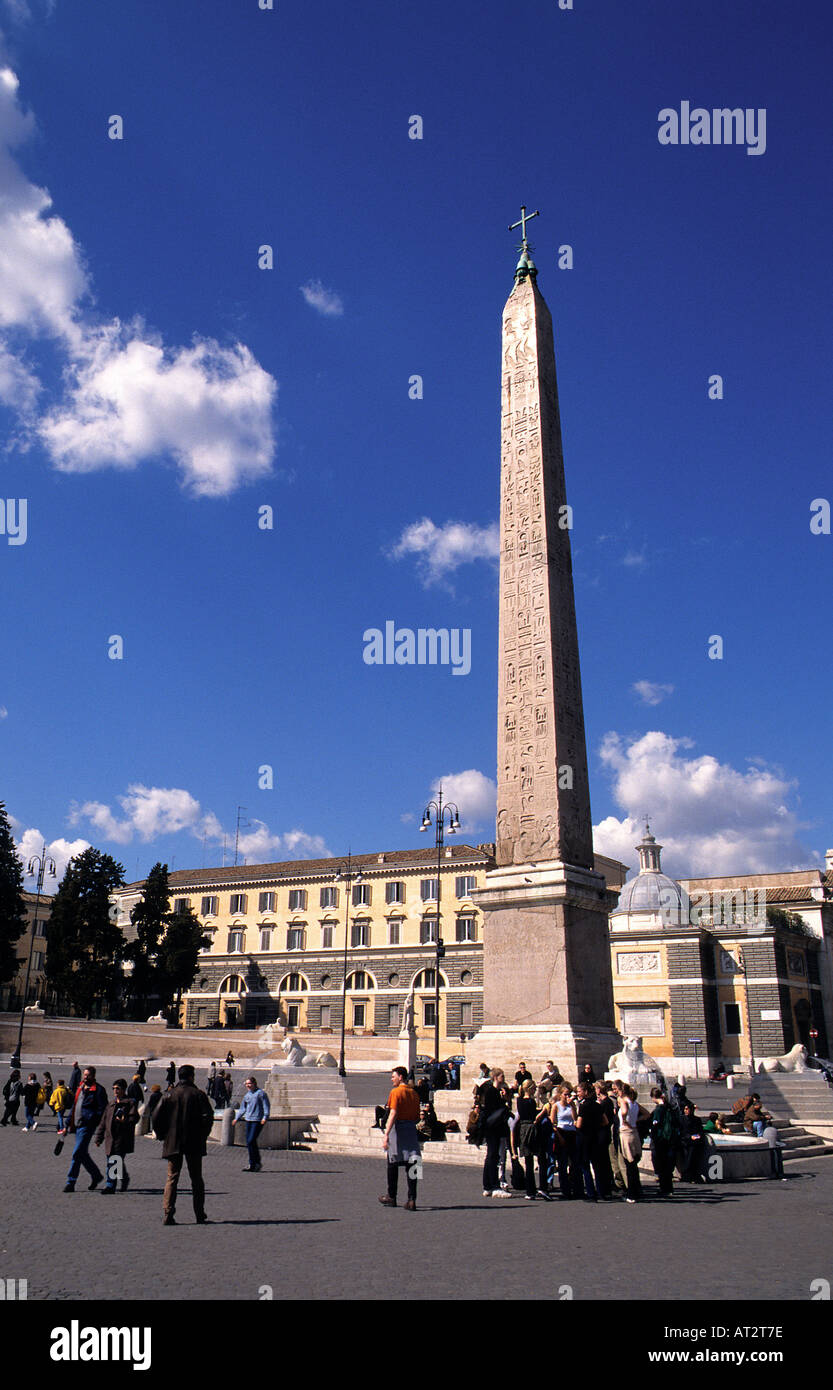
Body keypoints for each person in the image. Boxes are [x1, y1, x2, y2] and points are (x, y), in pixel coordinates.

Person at [153, 1064, 214, 1225]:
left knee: (172, 1178)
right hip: (193, 1142)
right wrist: (203, 1136)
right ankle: (199, 1214)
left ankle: (167, 1212)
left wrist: (162, 1135)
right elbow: (208, 1117)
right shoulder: (198, 1094)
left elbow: (156, 1116)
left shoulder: (169, 1094)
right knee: (196, 1179)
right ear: (192, 1076)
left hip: (173, 1142)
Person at [379, 1065, 422, 1211]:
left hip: (397, 1130)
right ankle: (412, 1198)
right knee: (414, 1163)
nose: (392, 1078)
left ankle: (392, 1196)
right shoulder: (414, 1094)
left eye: (393, 1076)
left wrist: (386, 1134)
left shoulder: (396, 1092)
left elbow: (393, 1113)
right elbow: (417, 1117)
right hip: (411, 1130)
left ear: (401, 1077)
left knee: (393, 1163)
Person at [63, 1066, 108, 1193]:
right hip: (76, 1124)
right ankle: (96, 1175)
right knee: (82, 1153)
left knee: (77, 1153)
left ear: (93, 1076)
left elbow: (102, 1110)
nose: (85, 1077)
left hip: (87, 1126)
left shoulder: (98, 1090)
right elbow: (74, 1106)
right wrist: (66, 1124)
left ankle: (70, 1182)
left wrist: (90, 1118)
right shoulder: (80, 1087)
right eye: (84, 1075)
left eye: (87, 1075)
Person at [94, 1078, 139, 1192]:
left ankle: (110, 1185)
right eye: (113, 1088)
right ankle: (124, 1178)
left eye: (117, 1088)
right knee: (115, 1160)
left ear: (123, 1089)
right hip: (110, 1137)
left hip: (122, 1137)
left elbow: (134, 1118)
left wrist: (125, 1120)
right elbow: (103, 1122)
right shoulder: (111, 1104)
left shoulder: (129, 1103)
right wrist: (99, 1138)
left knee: (114, 1160)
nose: (115, 1091)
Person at [513, 1079, 551, 1200]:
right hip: (533, 1129)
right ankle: (543, 1187)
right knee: (541, 1159)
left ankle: (530, 1191)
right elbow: (534, 1117)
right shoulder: (531, 1101)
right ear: (530, 1089)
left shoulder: (519, 1100)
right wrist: (544, 1110)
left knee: (528, 1162)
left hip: (523, 1130)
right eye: (534, 1088)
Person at [480, 1068, 513, 1198]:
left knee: (491, 1156)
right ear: (495, 1077)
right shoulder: (492, 1092)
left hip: (492, 1127)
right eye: (501, 1076)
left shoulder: (493, 1091)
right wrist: (504, 1101)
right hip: (493, 1127)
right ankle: (494, 1186)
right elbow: (497, 1110)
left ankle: (487, 1185)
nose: (503, 1078)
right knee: (493, 1156)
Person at [648, 1086, 679, 1196]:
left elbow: (655, 1126)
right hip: (671, 1140)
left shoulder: (658, 1110)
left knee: (661, 1165)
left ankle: (664, 1188)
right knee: (668, 1166)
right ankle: (669, 1188)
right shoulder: (670, 1107)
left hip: (661, 1140)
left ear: (653, 1097)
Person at [235, 1075, 271, 1171]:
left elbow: (266, 1106)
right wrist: (236, 1118)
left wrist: (265, 1117)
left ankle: (254, 1162)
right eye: (246, 1084)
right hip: (248, 1120)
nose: (248, 1085)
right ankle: (255, 1162)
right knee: (250, 1142)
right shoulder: (247, 1095)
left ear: (254, 1084)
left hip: (257, 1120)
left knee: (251, 1140)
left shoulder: (261, 1094)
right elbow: (243, 1108)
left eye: (249, 1083)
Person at [615, 1082, 643, 1202]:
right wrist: (635, 1120)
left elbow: (624, 1110)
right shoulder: (634, 1103)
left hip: (626, 1133)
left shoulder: (623, 1101)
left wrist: (625, 1119)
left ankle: (631, 1194)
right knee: (633, 1165)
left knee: (628, 1164)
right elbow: (646, 1114)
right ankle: (637, 1191)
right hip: (634, 1132)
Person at [574, 1080, 601, 1200]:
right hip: (595, 1136)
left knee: (585, 1166)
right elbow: (604, 1121)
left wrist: (574, 1120)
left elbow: (578, 1124)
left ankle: (590, 1192)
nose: (578, 1094)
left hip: (584, 1137)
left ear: (585, 1092)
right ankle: (601, 1190)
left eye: (579, 1091)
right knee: (596, 1165)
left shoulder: (583, 1106)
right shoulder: (597, 1105)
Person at [678, 1101, 708, 1182]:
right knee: (690, 1150)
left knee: (695, 1149)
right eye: (685, 1109)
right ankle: (690, 1174)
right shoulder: (681, 1119)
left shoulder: (697, 1119)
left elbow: (701, 1131)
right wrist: (690, 1137)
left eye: (688, 1109)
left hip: (695, 1141)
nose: (686, 1111)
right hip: (685, 1141)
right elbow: (680, 1133)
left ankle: (691, 1173)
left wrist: (698, 1136)